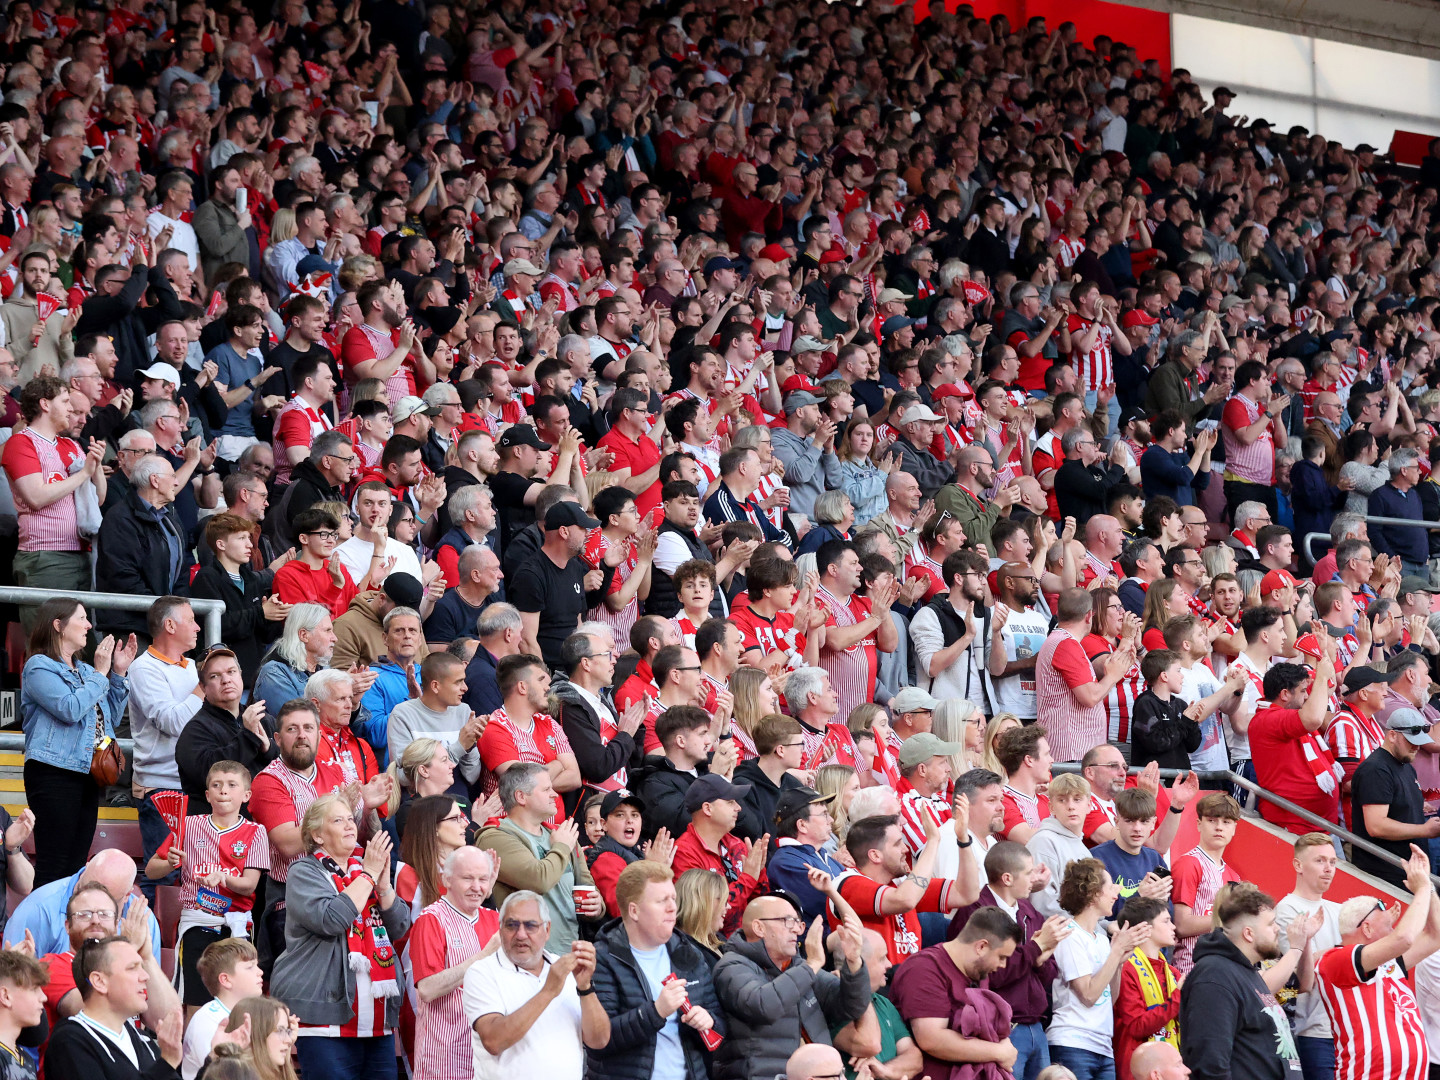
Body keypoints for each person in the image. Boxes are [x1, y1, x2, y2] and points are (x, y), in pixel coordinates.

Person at [270, 792, 411, 1080]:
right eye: (338, 820)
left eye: (350, 819)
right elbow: (332, 919)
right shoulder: (303, 872)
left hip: (377, 1021)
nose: (349, 825)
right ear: (317, 835)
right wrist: (369, 875)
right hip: (323, 1022)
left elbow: (399, 928)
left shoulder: (365, 871)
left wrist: (383, 887)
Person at [21, 598, 135, 885]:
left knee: (75, 864)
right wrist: (100, 674)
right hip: (53, 771)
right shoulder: (39, 666)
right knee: (54, 862)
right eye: (82, 618)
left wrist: (118, 673)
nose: (89, 625)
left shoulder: (85, 670)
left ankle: (66, 927)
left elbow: (108, 717)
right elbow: (69, 709)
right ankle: (42, 928)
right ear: (58, 625)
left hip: (87, 773)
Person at [143, 760, 269, 1007]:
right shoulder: (187, 825)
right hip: (197, 922)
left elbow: (249, 885)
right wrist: (169, 863)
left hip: (236, 926)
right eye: (217, 785)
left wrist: (223, 877)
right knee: (195, 1002)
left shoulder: (256, 832)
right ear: (207, 795)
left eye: (232, 785)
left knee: (237, 1004)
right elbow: (151, 870)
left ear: (246, 795)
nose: (224, 790)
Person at [588, 860, 725, 1080]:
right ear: (634, 910)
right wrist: (656, 1012)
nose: (673, 907)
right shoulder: (602, 959)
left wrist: (709, 1021)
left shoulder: (688, 952)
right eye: (662, 901)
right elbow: (600, 1041)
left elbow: (719, 1023)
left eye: (673, 898)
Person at [711, 894, 870, 1080]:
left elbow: (853, 1006)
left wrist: (853, 962)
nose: (796, 930)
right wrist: (811, 964)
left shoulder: (797, 966)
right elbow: (764, 1006)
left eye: (799, 923)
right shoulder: (731, 967)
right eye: (787, 921)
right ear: (759, 927)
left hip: (821, 1073)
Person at [462, 889, 609, 1080]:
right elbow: (493, 1041)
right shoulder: (482, 972)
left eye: (530, 926)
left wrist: (585, 987)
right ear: (500, 929)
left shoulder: (565, 968)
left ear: (547, 930)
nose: (521, 934)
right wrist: (548, 991)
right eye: (512, 925)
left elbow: (599, 1040)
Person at [948, 842, 1066, 1080]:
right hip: (1001, 1031)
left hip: (1035, 1025)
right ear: (1007, 878)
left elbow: (1049, 972)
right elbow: (985, 974)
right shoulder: (976, 913)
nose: (1035, 878)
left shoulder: (1028, 910)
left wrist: (1040, 959)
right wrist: (1034, 950)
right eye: (1029, 872)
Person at [475, 762, 603, 954]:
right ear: (521, 796)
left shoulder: (562, 834)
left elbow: (587, 887)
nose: (554, 794)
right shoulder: (494, 837)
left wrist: (596, 905)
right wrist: (561, 846)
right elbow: (539, 880)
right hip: (524, 961)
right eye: (546, 789)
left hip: (570, 956)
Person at [1179, 885, 1301, 1080]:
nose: (1278, 929)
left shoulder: (1247, 972)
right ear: (1248, 934)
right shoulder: (1215, 976)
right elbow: (1209, 1063)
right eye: (1271, 924)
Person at [889, 906, 1023, 1079]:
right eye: (1001, 957)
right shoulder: (924, 969)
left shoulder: (978, 973)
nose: (1003, 965)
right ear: (981, 946)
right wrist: (998, 1051)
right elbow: (931, 1039)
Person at [408, 847, 502, 1080]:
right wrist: (484, 955)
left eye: (483, 879)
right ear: (447, 879)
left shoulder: (495, 919)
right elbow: (428, 989)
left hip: (488, 1055)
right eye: (468, 878)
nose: (477, 887)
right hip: (445, 1058)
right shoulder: (431, 919)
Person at [43, 936, 185, 1080]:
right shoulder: (69, 1042)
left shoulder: (142, 1039)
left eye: (141, 967)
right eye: (132, 968)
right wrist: (166, 1064)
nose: (145, 976)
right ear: (99, 981)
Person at [510, 501, 616, 670]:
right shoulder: (531, 574)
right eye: (582, 528)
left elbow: (578, 621)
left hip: (575, 668)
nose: (588, 534)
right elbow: (526, 640)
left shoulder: (575, 566)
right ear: (564, 532)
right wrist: (545, 680)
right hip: (550, 670)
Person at [1272, 833, 1344, 1080]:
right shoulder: (1287, 908)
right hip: (1310, 1031)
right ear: (1298, 865)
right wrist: (1343, 954)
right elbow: (1297, 973)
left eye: (1333, 862)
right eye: (1320, 861)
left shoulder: (1339, 910)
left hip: (1343, 1029)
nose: (1328, 869)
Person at [174, 648, 277, 815]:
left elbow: (290, 768)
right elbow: (212, 775)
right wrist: (249, 737)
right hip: (215, 833)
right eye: (215, 676)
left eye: (231, 672)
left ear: (240, 675)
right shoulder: (195, 730)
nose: (226, 680)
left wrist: (269, 749)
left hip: (266, 825)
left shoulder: (264, 719)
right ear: (203, 687)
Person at [1348, 708, 1440, 888]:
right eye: (1410, 741)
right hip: (1386, 873)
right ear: (1392, 735)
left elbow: (1396, 804)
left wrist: (1417, 805)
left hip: (1407, 870)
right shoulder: (1376, 769)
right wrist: (1425, 830)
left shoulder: (1405, 764)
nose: (1416, 747)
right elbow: (1376, 826)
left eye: (1419, 742)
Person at [672, 773, 768, 936]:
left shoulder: (737, 845)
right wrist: (749, 878)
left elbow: (760, 902)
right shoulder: (683, 852)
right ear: (708, 808)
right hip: (709, 947)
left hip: (745, 942)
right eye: (730, 802)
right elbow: (706, 913)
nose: (738, 807)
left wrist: (759, 874)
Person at [1170, 793, 1244, 978]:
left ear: (1235, 828)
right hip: (1189, 970)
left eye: (1227, 822)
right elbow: (1181, 925)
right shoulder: (1189, 863)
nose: (1219, 827)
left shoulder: (1234, 876)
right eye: (1212, 820)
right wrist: (1231, 917)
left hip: (1222, 970)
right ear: (1199, 824)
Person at [1112, 897, 1182, 1080]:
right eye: (1166, 921)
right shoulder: (1126, 968)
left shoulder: (1173, 974)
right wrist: (1180, 997)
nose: (1173, 927)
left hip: (1170, 1068)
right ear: (1145, 929)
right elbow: (1136, 1026)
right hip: (1136, 1071)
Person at [179, 939, 266, 1080]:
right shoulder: (207, 1022)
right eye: (250, 967)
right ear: (225, 980)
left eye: (257, 965)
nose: (260, 972)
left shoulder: (247, 1013)